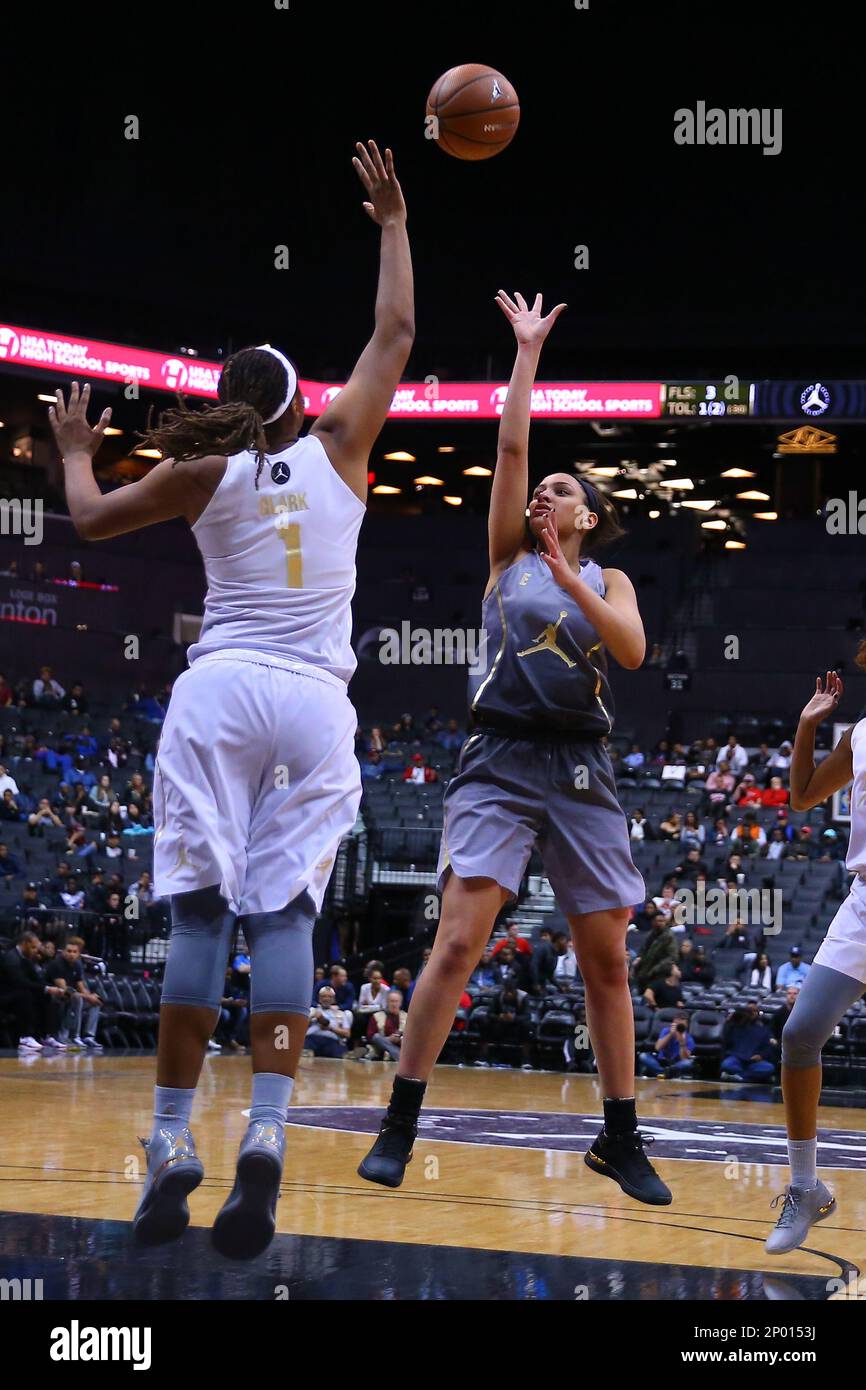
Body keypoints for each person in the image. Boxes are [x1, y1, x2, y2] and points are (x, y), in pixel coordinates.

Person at [49, 139, 414, 1259]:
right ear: (302, 400)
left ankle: (171, 1143)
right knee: (286, 918)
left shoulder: (199, 472)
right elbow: (394, 334)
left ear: (223, 401)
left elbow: (92, 519)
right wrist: (392, 222)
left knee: (200, 917)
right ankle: (266, 1133)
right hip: (315, 703)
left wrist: (71, 448)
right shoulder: (341, 448)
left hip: (219, 694)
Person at [359, 291, 668, 1206]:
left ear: (587, 514)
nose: (545, 491)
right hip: (497, 759)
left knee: (606, 958)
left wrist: (576, 578)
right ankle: (400, 1122)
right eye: (544, 487)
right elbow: (509, 448)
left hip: (580, 767)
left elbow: (632, 651)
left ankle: (619, 1137)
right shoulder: (505, 556)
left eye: (563, 489)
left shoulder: (605, 575)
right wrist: (525, 355)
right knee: (456, 941)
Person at [764, 670, 866, 1254]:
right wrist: (807, 727)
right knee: (800, 1034)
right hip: (863, 904)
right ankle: (806, 1188)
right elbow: (802, 795)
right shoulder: (860, 735)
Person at [46, 936, 102, 1048]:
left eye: (74, 952)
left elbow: (81, 986)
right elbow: (65, 990)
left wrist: (91, 997)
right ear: (63, 952)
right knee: (77, 999)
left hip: (73, 995)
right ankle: (73, 1036)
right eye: (69, 951)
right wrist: (86, 997)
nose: (71, 954)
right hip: (57, 996)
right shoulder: (57, 964)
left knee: (96, 1002)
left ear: (78, 953)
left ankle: (89, 1037)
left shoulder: (77, 965)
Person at [720, 1003, 775, 1081]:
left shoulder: (763, 1029)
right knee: (726, 1065)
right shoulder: (735, 1026)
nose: (752, 1013)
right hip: (736, 1059)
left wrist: (761, 1056)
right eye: (749, 1011)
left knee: (769, 1068)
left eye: (754, 1011)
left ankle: (739, 1076)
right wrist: (729, 1021)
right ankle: (755, 1077)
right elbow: (725, 1040)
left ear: (758, 1013)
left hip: (753, 1062)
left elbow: (767, 1048)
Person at [638, 1014, 695, 1078]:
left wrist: (682, 1042)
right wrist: (670, 1034)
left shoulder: (689, 1038)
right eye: (677, 1024)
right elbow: (657, 1048)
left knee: (688, 1063)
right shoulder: (666, 1031)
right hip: (661, 1061)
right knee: (643, 1056)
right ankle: (665, 1073)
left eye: (681, 1025)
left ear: (686, 1025)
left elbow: (683, 1059)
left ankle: (662, 1073)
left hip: (676, 1063)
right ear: (673, 1023)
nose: (679, 1027)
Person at [305, 986, 352, 1058]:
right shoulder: (311, 1010)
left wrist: (330, 1028)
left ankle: (346, 1055)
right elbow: (299, 1028)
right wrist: (311, 1017)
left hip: (331, 1040)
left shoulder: (341, 1014)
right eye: (323, 996)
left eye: (330, 997)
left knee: (338, 1053)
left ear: (334, 999)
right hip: (311, 1038)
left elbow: (347, 1034)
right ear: (319, 998)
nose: (326, 999)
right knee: (305, 1048)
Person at [364, 990, 407, 1062]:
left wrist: (399, 1040)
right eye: (392, 1001)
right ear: (387, 1002)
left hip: (401, 1046)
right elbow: (370, 1036)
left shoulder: (406, 1017)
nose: (394, 1004)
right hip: (381, 1046)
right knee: (376, 1037)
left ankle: (396, 1054)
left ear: (400, 1003)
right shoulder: (376, 1016)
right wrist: (388, 1039)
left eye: (396, 1001)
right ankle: (398, 1055)